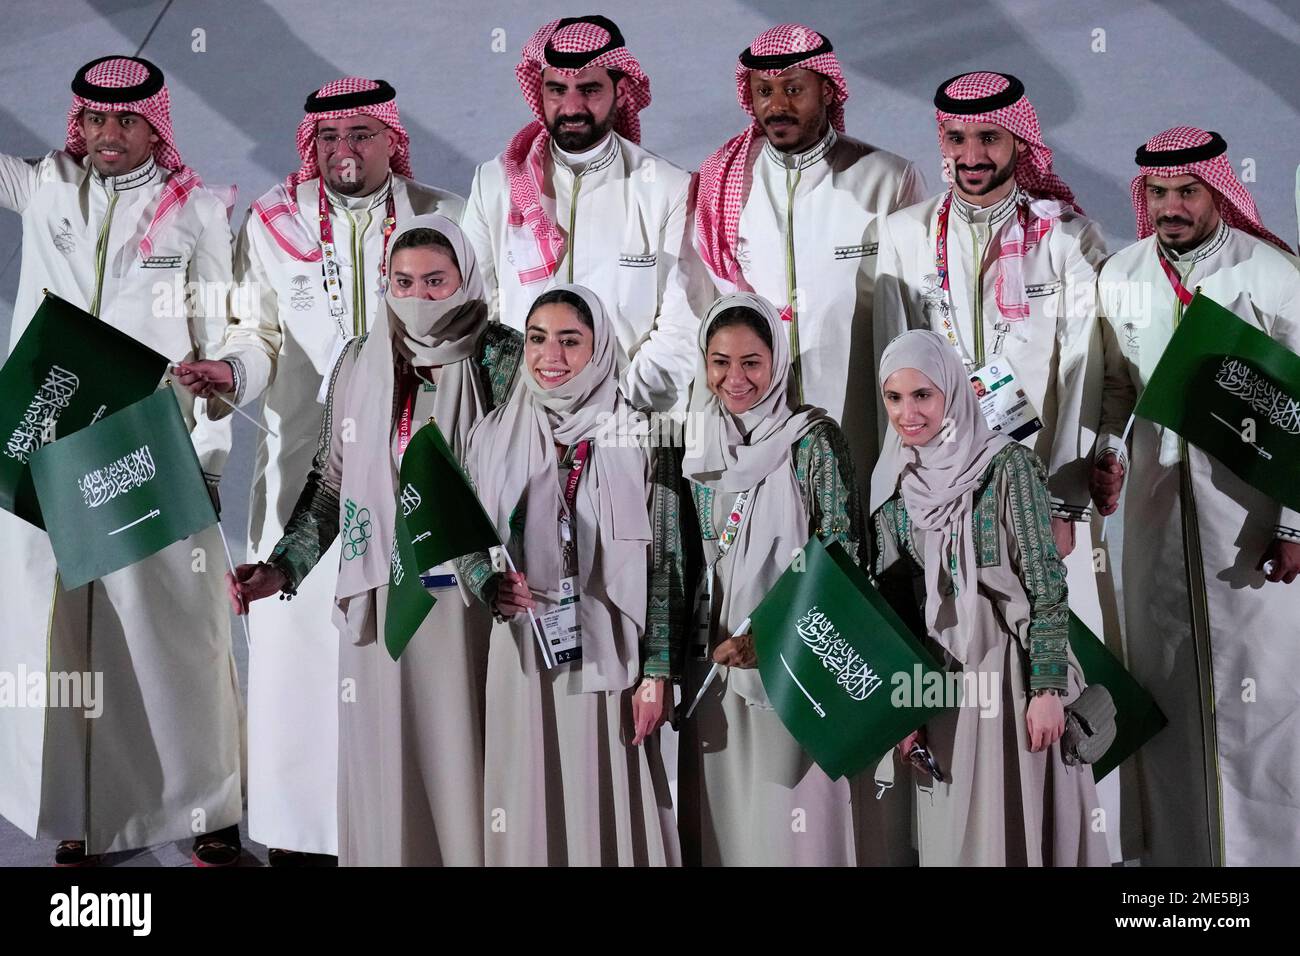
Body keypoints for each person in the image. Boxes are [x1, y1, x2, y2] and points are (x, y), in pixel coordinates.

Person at [176, 77, 463, 864]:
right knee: (299, 659)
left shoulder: (445, 217)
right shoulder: (271, 224)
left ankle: (406, 830)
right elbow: (255, 335)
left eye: (363, 136)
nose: (346, 152)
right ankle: (305, 839)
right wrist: (231, 375)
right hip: (305, 477)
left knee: (413, 645)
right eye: (331, 138)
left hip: (417, 474)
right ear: (313, 145)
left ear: (391, 140)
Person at [0, 55, 242, 866]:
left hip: (152, 456)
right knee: (59, 644)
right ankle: (83, 815)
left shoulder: (200, 213)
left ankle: (208, 813)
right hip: (52, 453)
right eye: (95, 121)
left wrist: (208, 456)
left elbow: (225, 336)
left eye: (127, 122)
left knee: (178, 642)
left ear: (156, 127)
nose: (108, 136)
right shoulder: (44, 189)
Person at [227, 215, 519, 865]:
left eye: (436, 281)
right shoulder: (360, 357)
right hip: (376, 600)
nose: (418, 296)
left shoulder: (500, 355)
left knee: (462, 763)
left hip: (466, 605)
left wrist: (504, 578)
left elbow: (528, 479)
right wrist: (281, 569)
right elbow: (332, 479)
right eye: (403, 281)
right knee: (382, 766)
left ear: (467, 279)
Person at [1092, 126, 1300, 866]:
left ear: (1218, 191)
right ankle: (1182, 865)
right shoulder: (1121, 275)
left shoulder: (1274, 276)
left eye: (1188, 190)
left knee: (1264, 699)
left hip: (1253, 525)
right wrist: (1109, 448)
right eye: (1159, 192)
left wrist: (1298, 523)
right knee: (1170, 687)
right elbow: (1117, 384)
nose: (1172, 205)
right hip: (1155, 523)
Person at [675, 293, 910, 866]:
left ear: (777, 363)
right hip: (714, 662)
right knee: (726, 819)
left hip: (797, 665)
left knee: (793, 825)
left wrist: (775, 639)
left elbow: (845, 557)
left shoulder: (813, 440)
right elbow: (681, 554)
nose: (735, 378)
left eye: (751, 362)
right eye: (720, 362)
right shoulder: (694, 442)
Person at [456, 284, 683, 865]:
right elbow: (465, 542)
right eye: (536, 339)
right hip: (523, 648)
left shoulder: (643, 436)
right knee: (526, 784)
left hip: (610, 648)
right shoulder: (492, 434)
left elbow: (666, 562)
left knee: (601, 787)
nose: (549, 356)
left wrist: (655, 671)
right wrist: (488, 584)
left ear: (600, 347)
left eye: (569, 341)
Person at [871, 329, 1108, 866]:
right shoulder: (894, 494)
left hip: (1016, 682)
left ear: (952, 392)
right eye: (894, 397)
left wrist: (1048, 688)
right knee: (959, 841)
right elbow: (898, 617)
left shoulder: (1008, 469)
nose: (908, 413)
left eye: (923, 395)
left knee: (1024, 828)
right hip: (944, 691)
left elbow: (1046, 584)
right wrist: (903, 715)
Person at [874, 71, 1106, 576]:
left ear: (1019, 143)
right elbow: (892, 377)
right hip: (936, 485)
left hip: (1038, 481)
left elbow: (1082, 373)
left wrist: (1064, 501)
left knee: (1045, 637)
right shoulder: (903, 234)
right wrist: (899, 488)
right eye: (957, 138)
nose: (972, 155)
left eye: (989, 138)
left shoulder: (1067, 239)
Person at [694, 23, 923, 473]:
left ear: (828, 90)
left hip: (863, 415)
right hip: (758, 421)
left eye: (794, 89)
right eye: (764, 91)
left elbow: (920, 314)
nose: (776, 105)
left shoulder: (887, 179)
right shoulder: (724, 181)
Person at [460, 15, 709, 413]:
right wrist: (515, 398)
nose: (571, 106)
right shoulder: (496, 182)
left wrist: (616, 407)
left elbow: (682, 324)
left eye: (589, 89)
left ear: (621, 90)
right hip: (519, 412)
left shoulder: (667, 187)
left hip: (632, 421)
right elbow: (476, 303)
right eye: (557, 89)